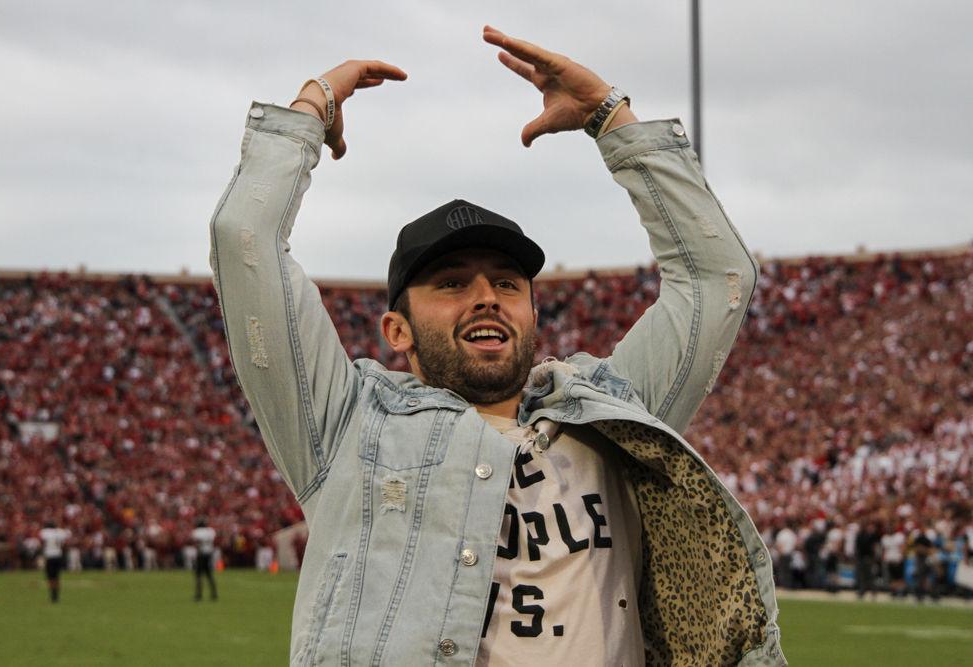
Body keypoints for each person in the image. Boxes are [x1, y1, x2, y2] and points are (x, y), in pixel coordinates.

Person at [210, 26, 785, 666]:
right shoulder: (344, 427)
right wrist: (310, 113)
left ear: (532, 312)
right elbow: (246, 242)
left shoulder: (616, 415)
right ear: (396, 330)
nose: (486, 297)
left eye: (507, 283)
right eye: (452, 283)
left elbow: (717, 278)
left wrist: (611, 119)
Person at [39, 521, 70, 603]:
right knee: (56, 577)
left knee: (50, 577)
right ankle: (56, 596)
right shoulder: (60, 532)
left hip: (50, 556)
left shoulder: (45, 532)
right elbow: (65, 543)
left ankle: (52, 596)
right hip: (58, 555)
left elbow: (42, 542)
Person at [191, 519, 218, 601]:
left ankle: (199, 594)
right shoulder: (211, 531)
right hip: (209, 553)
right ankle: (214, 593)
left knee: (199, 575)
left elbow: (196, 543)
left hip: (201, 554)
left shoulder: (197, 531)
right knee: (209, 574)